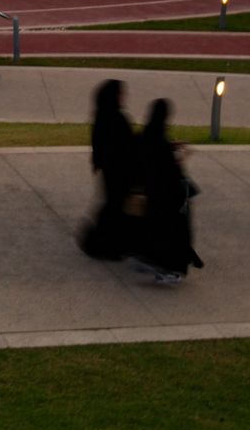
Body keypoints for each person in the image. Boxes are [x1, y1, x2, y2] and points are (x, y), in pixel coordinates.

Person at [132, 99, 202, 284]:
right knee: (176, 232)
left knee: (157, 228)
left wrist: (171, 146)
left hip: (154, 192)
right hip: (169, 195)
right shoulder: (159, 140)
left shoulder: (148, 134)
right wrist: (182, 156)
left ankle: (153, 259)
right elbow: (169, 169)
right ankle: (173, 270)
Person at [78, 79, 136, 259]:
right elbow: (130, 145)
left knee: (113, 205)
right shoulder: (118, 119)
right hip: (120, 171)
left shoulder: (101, 116)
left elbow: (98, 144)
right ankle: (108, 245)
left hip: (109, 170)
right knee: (116, 207)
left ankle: (109, 243)